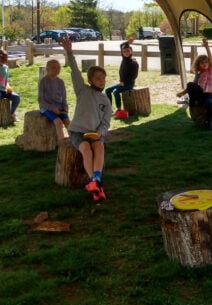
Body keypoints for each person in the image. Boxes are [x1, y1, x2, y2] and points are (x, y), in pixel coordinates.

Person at [60, 36, 112, 203]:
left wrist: (100, 132)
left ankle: (96, 179)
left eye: (103, 78)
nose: (101, 81)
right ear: (90, 80)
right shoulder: (82, 90)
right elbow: (75, 72)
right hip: (77, 132)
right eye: (98, 79)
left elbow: (106, 122)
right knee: (86, 150)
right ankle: (94, 181)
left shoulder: (105, 100)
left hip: (95, 133)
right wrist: (69, 53)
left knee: (99, 147)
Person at [175, 38, 212, 130]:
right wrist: (182, 93)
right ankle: (193, 104)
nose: (204, 64)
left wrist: (207, 47)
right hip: (200, 94)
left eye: (206, 62)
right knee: (190, 84)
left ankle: (209, 122)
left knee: (209, 103)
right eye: (202, 63)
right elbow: (192, 87)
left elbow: (211, 58)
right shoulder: (198, 74)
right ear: (198, 65)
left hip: (209, 95)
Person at [38, 59, 70, 140]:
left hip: (59, 107)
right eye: (54, 68)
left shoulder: (60, 82)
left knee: (68, 122)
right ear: (47, 69)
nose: (57, 70)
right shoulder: (43, 82)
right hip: (46, 108)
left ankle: (74, 142)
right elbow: (41, 99)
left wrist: (65, 107)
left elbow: (64, 98)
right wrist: (51, 108)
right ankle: (61, 142)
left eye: (58, 67)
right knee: (58, 122)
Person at [105, 40, 139, 114]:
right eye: (124, 51)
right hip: (121, 83)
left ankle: (119, 108)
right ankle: (109, 109)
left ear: (131, 51)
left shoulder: (133, 62)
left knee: (115, 91)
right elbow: (122, 46)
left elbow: (134, 76)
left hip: (129, 84)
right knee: (107, 90)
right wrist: (127, 42)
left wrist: (124, 82)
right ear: (122, 53)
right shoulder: (124, 60)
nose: (126, 53)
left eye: (128, 51)